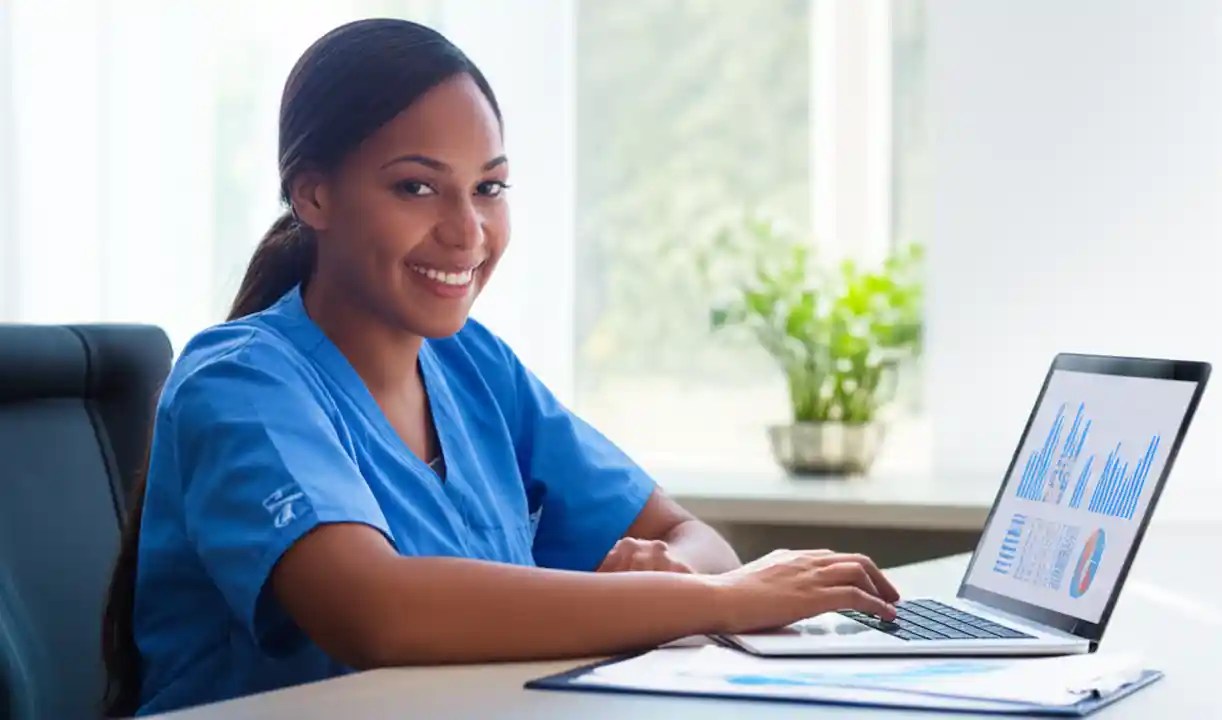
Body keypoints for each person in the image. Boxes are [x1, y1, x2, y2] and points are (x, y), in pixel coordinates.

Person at [100, 18, 900, 717]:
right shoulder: (239, 384)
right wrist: (710, 600)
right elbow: (375, 613)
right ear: (313, 196)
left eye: (489, 187)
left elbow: (695, 540)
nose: (467, 231)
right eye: (417, 187)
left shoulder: (471, 364)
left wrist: (675, 578)